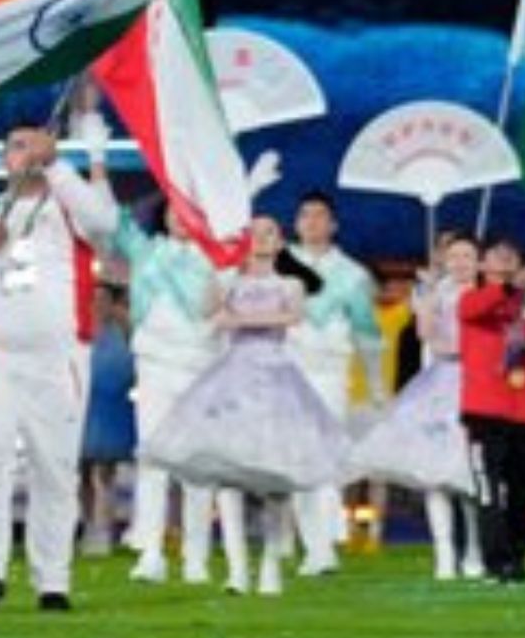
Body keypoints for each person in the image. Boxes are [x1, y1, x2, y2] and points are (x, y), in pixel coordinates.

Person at [0, 112, 116, 612]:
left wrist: (60, 166)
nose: (26, 152)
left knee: (55, 469)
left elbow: (104, 224)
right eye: (16, 146)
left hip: (58, 356)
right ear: (4, 159)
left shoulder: (67, 203)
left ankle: (53, 580)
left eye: (33, 144)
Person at [140, 216, 347, 595]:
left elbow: (292, 315)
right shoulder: (228, 281)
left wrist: (240, 318)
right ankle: (237, 569)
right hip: (233, 377)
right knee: (228, 474)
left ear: (280, 242)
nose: (261, 238)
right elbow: (210, 313)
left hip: (276, 379)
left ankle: (269, 563)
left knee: (276, 477)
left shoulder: (290, 283)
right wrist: (220, 276)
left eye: (269, 232)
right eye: (253, 233)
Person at [348, 234, 482, 579]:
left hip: (476, 382)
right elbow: (426, 335)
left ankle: (473, 550)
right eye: (454, 256)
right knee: (434, 476)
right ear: (444, 260)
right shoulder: (435, 293)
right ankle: (444, 554)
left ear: (478, 262)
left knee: (469, 477)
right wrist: (427, 302)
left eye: (467, 256)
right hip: (440, 382)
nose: (460, 262)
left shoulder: (485, 295)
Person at [108, 202, 221, 584]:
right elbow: (113, 220)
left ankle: (196, 558)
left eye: (189, 211)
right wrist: (98, 171)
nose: (180, 218)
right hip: (155, 365)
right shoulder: (147, 252)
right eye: (175, 210)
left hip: (200, 367)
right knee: (153, 460)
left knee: (197, 466)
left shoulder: (215, 256)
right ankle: (150, 552)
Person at [286, 190, 382, 575]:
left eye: (320, 215)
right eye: (305, 215)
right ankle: (310, 542)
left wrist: (376, 387)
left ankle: (324, 544)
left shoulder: (352, 274)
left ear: (333, 224)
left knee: (325, 458)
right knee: (297, 459)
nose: (312, 222)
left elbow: (367, 332)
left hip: (329, 372)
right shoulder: (279, 265)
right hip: (288, 372)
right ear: (296, 224)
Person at [458, 236, 525, 583]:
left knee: (523, 493)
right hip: (485, 413)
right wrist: (510, 288)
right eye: (496, 255)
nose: (505, 259)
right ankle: (497, 562)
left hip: (524, 412)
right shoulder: (472, 299)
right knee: (490, 492)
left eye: (511, 254)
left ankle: (516, 557)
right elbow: (473, 310)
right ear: (482, 264)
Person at [78, 280, 136, 557]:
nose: (98, 305)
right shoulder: (80, 328)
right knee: (83, 471)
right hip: (84, 407)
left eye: (103, 299)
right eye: (94, 299)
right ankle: (88, 522)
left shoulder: (122, 328)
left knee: (105, 470)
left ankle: (103, 526)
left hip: (112, 408)